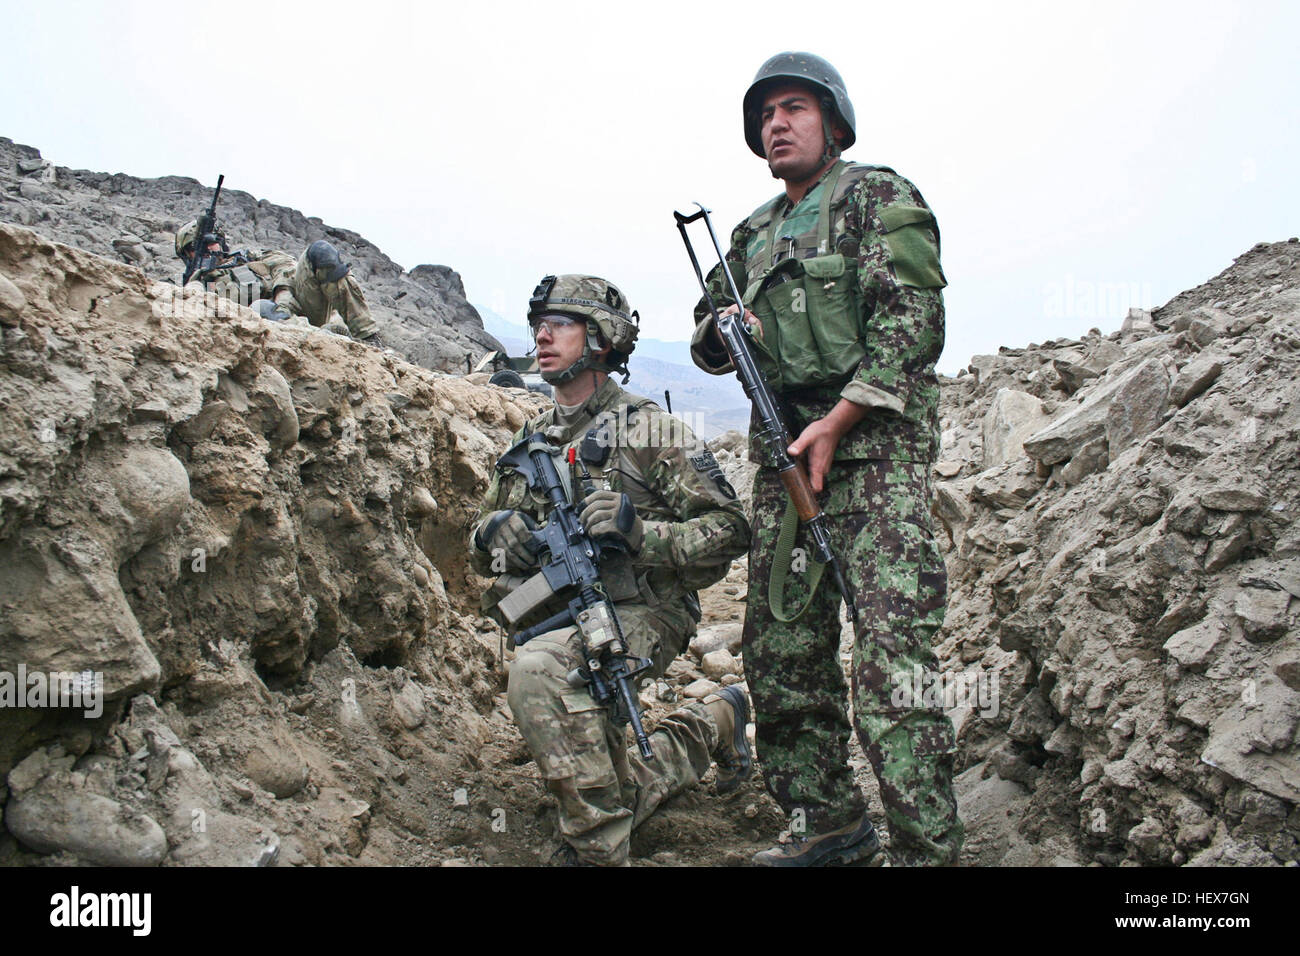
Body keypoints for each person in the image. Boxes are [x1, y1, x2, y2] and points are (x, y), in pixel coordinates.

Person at [689, 52, 963, 866]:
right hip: (784, 461)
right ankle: (830, 825)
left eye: (795, 107)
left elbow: (913, 326)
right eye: (766, 114)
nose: (777, 123)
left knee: (891, 669)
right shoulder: (748, 235)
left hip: (873, 457)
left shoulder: (879, 196)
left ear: (834, 122)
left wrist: (839, 422)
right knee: (781, 656)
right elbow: (705, 341)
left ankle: (925, 848)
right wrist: (725, 328)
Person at [470, 274, 752, 865]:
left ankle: (597, 848)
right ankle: (718, 719)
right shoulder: (531, 440)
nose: (542, 336)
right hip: (561, 611)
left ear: (600, 339)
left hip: (647, 610)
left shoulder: (649, 430)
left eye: (561, 324)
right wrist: (494, 534)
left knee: (538, 671)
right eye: (537, 325)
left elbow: (730, 530)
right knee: (618, 779)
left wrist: (640, 535)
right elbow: (478, 539)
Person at [174, 221, 379, 342]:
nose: (209, 249)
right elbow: (192, 308)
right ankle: (324, 338)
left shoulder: (251, 257)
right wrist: (198, 277)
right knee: (261, 307)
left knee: (321, 251)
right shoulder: (199, 284)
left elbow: (285, 265)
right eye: (195, 248)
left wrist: (282, 293)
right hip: (260, 332)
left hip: (296, 307)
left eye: (211, 243)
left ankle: (368, 338)